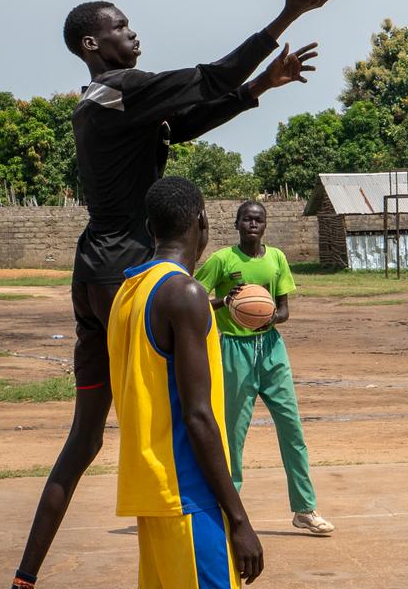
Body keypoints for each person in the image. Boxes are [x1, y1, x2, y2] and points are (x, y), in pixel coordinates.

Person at [10, 0, 339, 589]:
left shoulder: (104, 104)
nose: (132, 32)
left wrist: (258, 87)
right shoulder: (119, 89)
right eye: (119, 25)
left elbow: (181, 126)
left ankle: (25, 575)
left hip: (91, 274)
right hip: (129, 271)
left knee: (84, 438)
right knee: (189, 409)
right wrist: (286, 15)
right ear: (91, 44)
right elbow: (207, 79)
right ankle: (208, 514)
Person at [107, 176, 263, 587]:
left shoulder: (128, 292)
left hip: (152, 495)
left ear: (149, 228)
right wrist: (239, 519)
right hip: (188, 496)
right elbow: (197, 415)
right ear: (203, 222)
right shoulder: (185, 294)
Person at [195, 200, 333, 535]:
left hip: (271, 349)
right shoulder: (222, 260)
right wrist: (225, 302)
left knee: (292, 430)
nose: (252, 224)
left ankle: (304, 509)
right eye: (246, 219)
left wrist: (269, 318)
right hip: (234, 349)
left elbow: (284, 310)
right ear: (236, 224)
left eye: (258, 219)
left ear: (265, 224)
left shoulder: (277, 259)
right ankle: (228, 510)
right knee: (233, 435)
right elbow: (194, 297)